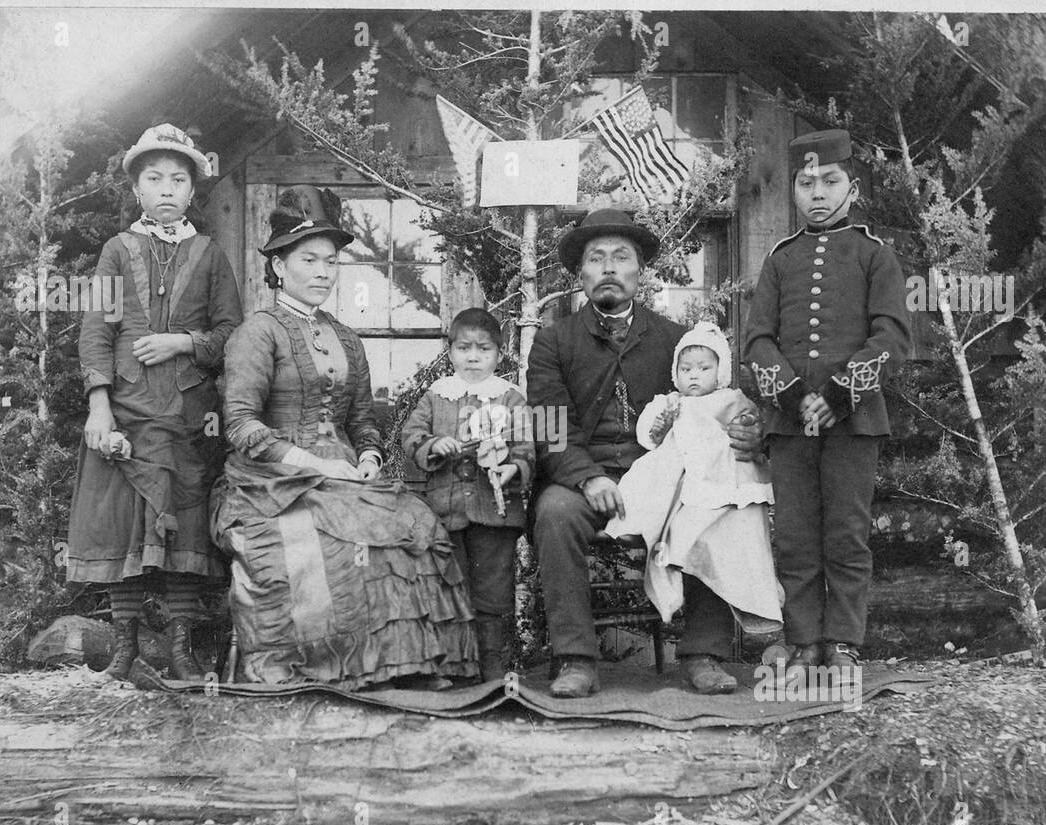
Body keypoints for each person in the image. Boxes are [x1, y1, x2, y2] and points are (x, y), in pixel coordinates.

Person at [211, 186, 480, 690]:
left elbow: (362, 420)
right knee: (327, 540)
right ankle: (333, 666)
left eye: (331, 263)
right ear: (278, 266)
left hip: (346, 473)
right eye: (308, 259)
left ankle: (406, 664)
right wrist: (312, 464)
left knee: (413, 521)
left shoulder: (347, 339)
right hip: (271, 478)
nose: (321, 272)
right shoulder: (258, 332)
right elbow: (241, 424)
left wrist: (371, 456)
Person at [527, 208, 762, 698]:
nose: (609, 267)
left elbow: (714, 407)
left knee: (714, 504)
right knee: (553, 512)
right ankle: (575, 658)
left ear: (640, 272)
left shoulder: (678, 342)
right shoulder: (553, 342)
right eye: (596, 258)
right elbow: (549, 428)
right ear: (582, 273)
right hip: (585, 481)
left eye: (621, 257)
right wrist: (587, 477)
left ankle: (703, 653)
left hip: (663, 478)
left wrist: (744, 428)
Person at [68, 123, 242, 681]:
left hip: (189, 415)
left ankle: (182, 649)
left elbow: (230, 334)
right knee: (124, 522)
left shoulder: (210, 255)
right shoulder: (115, 252)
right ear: (137, 189)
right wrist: (99, 407)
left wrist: (183, 342)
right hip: (124, 408)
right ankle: (123, 652)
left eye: (178, 179)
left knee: (185, 525)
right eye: (154, 178)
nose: (166, 188)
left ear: (193, 191)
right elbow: (96, 328)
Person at [743, 128, 913, 671]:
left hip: (854, 421)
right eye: (806, 182)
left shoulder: (876, 256)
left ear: (852, 188)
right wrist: (793, 397)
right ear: (793, 190)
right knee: (794, 536)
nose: (817, 193)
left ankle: (842, 641)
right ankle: (804, 640)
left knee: (845, 533)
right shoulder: (780, 259)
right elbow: (756, 341)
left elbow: (892, 337)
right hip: (789, 423)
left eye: (830, 181)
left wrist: (840, 393)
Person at [604, 322, 783, 676]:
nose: (695, 377)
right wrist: (662, 424)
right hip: (675, 479)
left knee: (727, 522)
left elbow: (750, 426)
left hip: (718, 481)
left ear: (722, 372)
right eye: (686, 369)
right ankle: (665, 539)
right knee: (660, 497)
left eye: (705, 368)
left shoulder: (730, 399)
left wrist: (748, 424)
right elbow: (649, 436)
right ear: (675, 374)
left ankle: (711, 640)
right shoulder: (671, 402)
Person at [401, 307, 535, 681]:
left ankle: (491, 661)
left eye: (484, 349)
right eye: (464, 348)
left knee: (492, 590)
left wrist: (514, 467)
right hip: (446, 511)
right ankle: (456, 663)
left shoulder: (510, 399)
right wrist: (433, 443)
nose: (473, 357)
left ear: (499, 353)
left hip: (495, 511)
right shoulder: (437, 395)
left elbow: (527, 446)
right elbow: (410, 435)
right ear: (451, 351)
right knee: (449, 585)